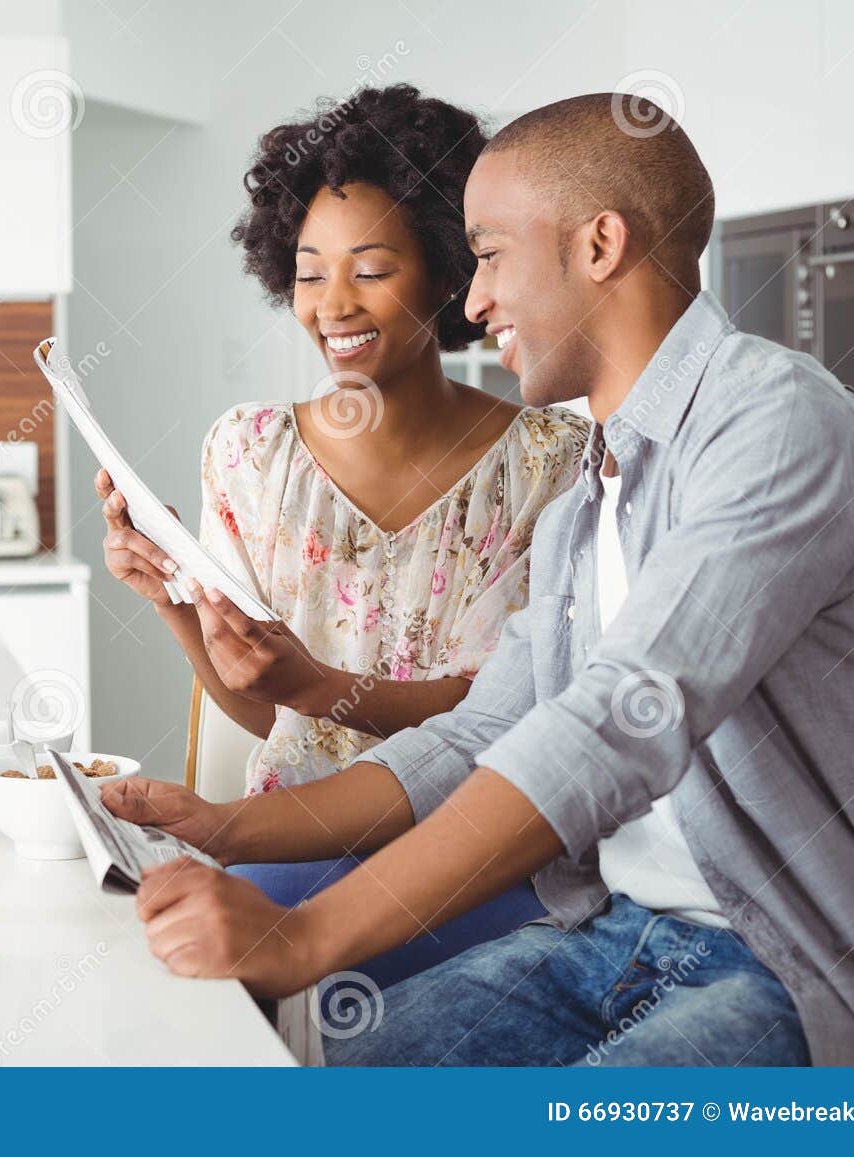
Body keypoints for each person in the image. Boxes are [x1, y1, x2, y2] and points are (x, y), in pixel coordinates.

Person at [102, 93, 854, 1067]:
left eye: (488, 255)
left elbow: (619, 720)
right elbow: (478, 734)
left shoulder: (777, 424)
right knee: (330, 1075)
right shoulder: (590, 492)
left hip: (802, 964)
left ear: (599, 245)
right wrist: (221, 826)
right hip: (616, 935)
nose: (474, 300)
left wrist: (305, 936)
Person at [95, 85, 588, 987]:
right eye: (310, 272)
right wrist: (170, 598)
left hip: (475, 854)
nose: (334, 304)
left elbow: (508, 723)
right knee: (198, 978)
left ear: (447, 271)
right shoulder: (249, 454)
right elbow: (266, 715)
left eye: (370, 270)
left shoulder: (549, 460)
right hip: (294, 834)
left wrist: (319, 686)